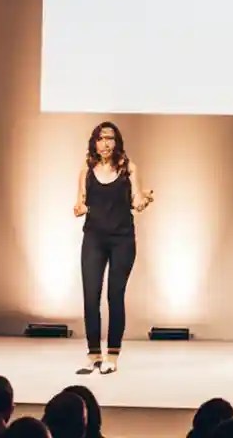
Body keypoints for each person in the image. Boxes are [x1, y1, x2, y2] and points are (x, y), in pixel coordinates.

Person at [74, 121, 153, 375]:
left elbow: (137, 198)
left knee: (114, 296)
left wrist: (143, 201)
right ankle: (93, 353)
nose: (105, 143)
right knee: (90, 295)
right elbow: (80, 203)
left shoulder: (128, 169)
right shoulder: (86, 171)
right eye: (100, 138)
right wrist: (80, 208)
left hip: (122, 240)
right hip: (94, 239)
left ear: (117, 142)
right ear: (94, 143)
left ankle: (113, 355)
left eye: (109, 138)